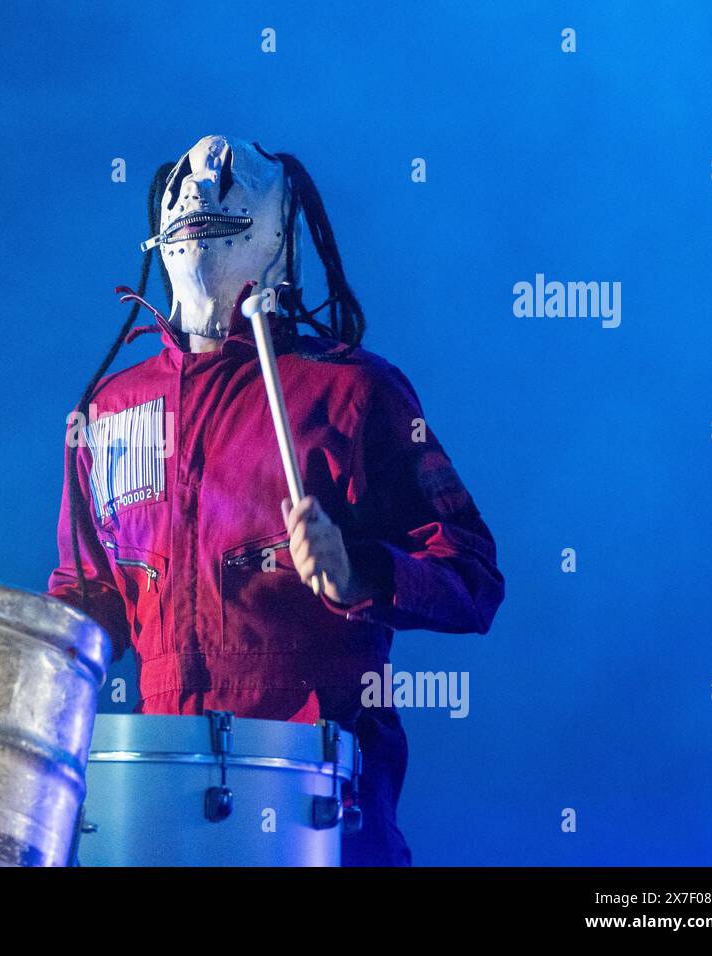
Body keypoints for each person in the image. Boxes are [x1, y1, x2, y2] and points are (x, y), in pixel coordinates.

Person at [48, 135, 504, 865]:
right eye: (184, 180)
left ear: (282, 229)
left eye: (232, 179)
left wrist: (358, 572)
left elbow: (472, 574)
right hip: (156, 802)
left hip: (320, 803)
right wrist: (16, 649)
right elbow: (90, 593)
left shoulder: (354, 391)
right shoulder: (107, 410)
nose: (203, 181)